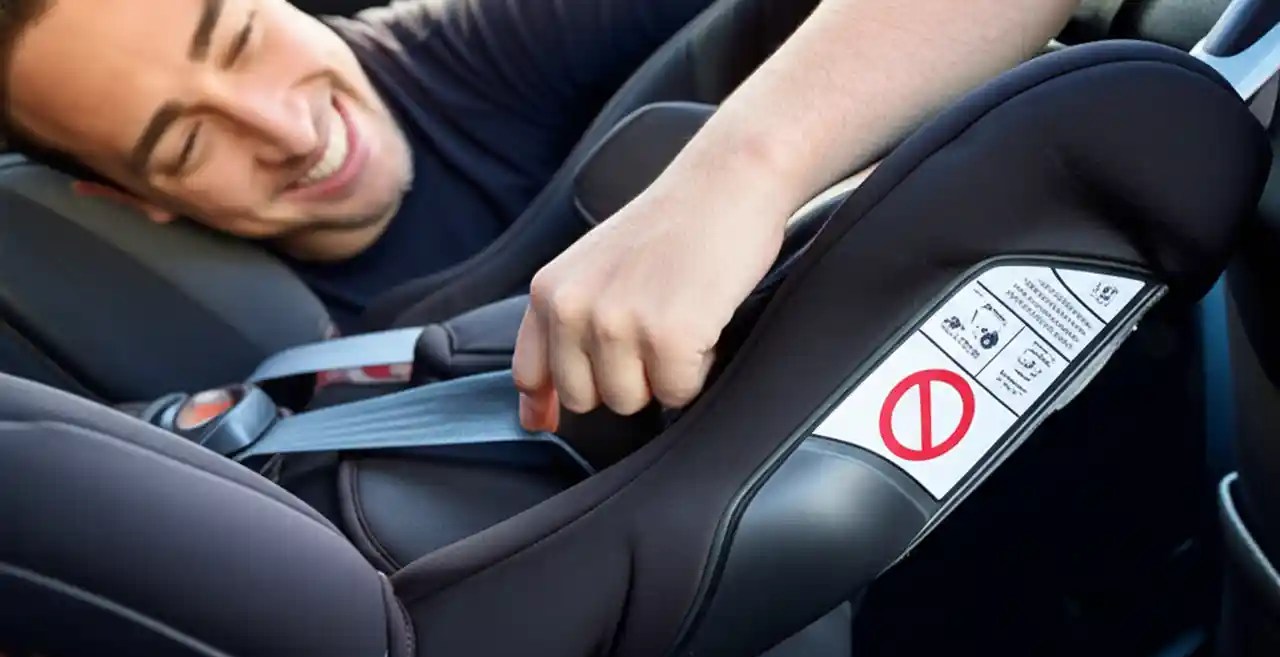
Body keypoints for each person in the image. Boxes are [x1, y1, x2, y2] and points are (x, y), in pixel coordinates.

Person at [0, 0, 1081, 435]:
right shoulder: (221, 355)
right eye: (184, 143)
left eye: (237, 38)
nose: (281, 127)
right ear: (125, 197)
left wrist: (741, 171)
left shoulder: (486, 39)